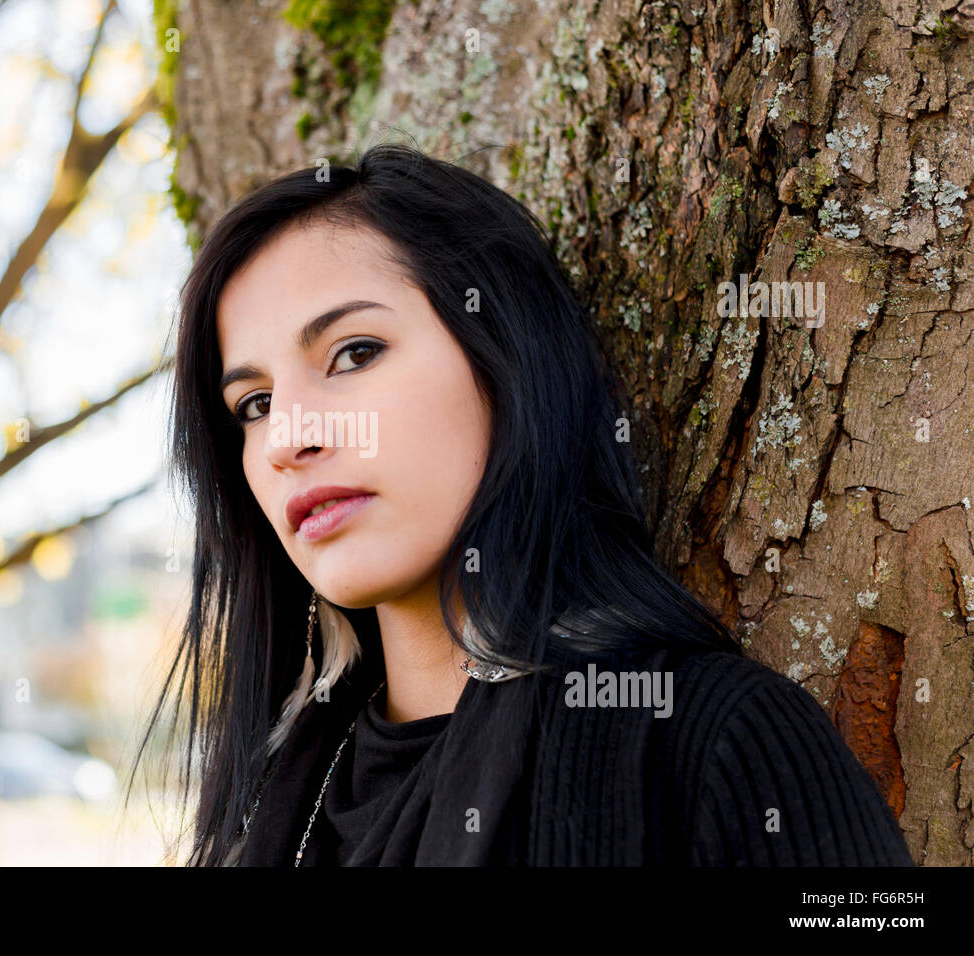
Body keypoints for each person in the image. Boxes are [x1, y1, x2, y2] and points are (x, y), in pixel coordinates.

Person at [127, 142, 913, 867]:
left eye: (354, 353)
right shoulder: (266, 810)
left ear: (505, 361)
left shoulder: (719, 747)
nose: (285, 440)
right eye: (254, 403)